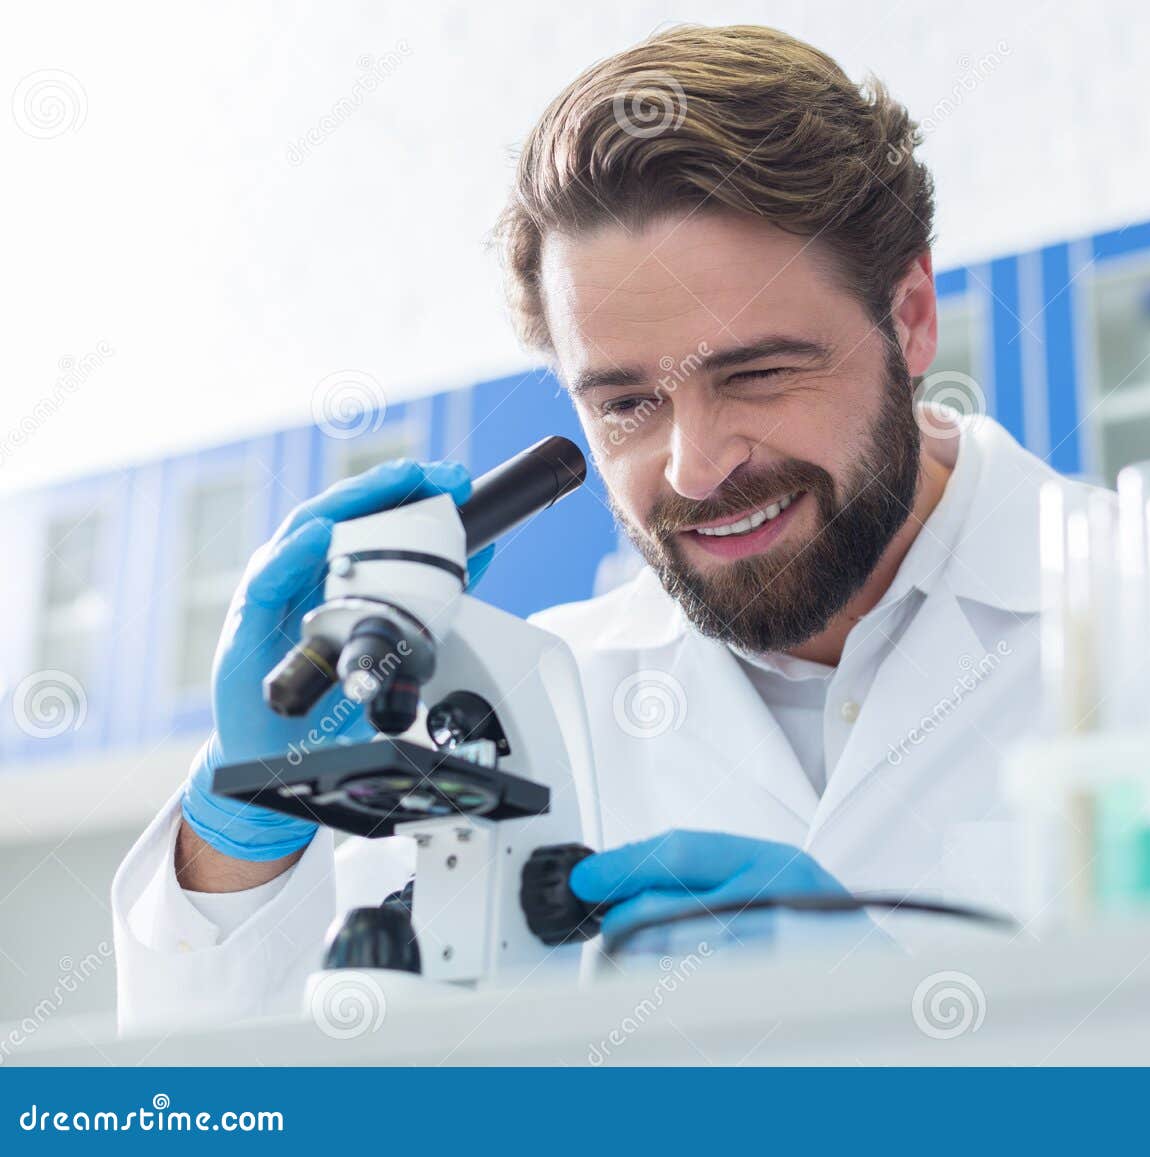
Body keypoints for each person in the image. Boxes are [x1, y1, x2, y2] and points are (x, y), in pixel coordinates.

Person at [110, 23, 1096, 1032]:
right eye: (627, 404)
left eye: (756, 373)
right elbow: (229, 1104)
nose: (694, 465)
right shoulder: (529, 707)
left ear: (913, 316)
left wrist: (918, 1044)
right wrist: (247, 825)